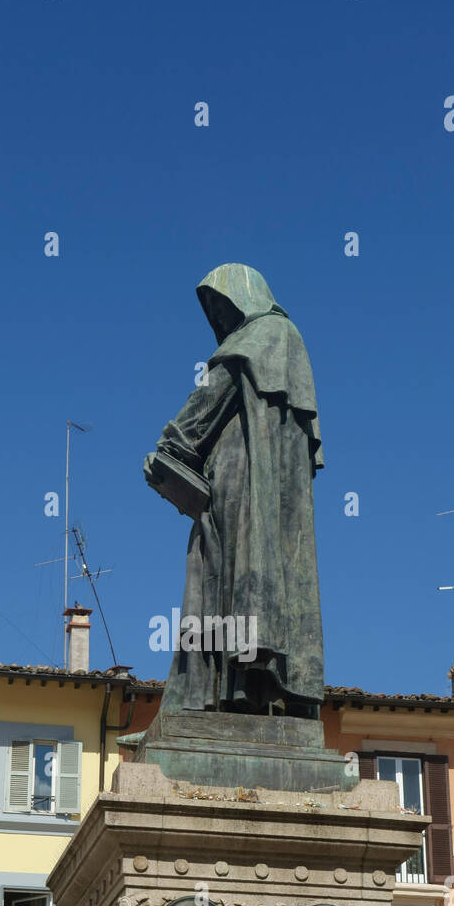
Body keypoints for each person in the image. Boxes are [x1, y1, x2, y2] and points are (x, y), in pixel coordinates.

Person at [144, 263, 325, 717]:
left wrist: (169, 447)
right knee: (234, 587)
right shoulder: (286, 343)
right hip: (251, 489)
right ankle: (234, 694)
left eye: (224, 310)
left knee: (216, 581)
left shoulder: (265, 334)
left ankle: (212, 700)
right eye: (216, 316)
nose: (222, 326)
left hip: (241, 485)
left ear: (245, 299)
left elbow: (206, 401)